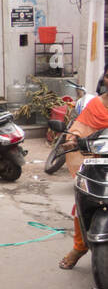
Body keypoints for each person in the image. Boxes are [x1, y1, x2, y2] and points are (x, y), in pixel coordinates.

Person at [57, 77, 108, 270]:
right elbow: (80, 127)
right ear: (105, 79)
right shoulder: (95, 104)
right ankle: (79, 247)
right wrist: (73, 138)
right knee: (82, 204)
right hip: (99, 161)